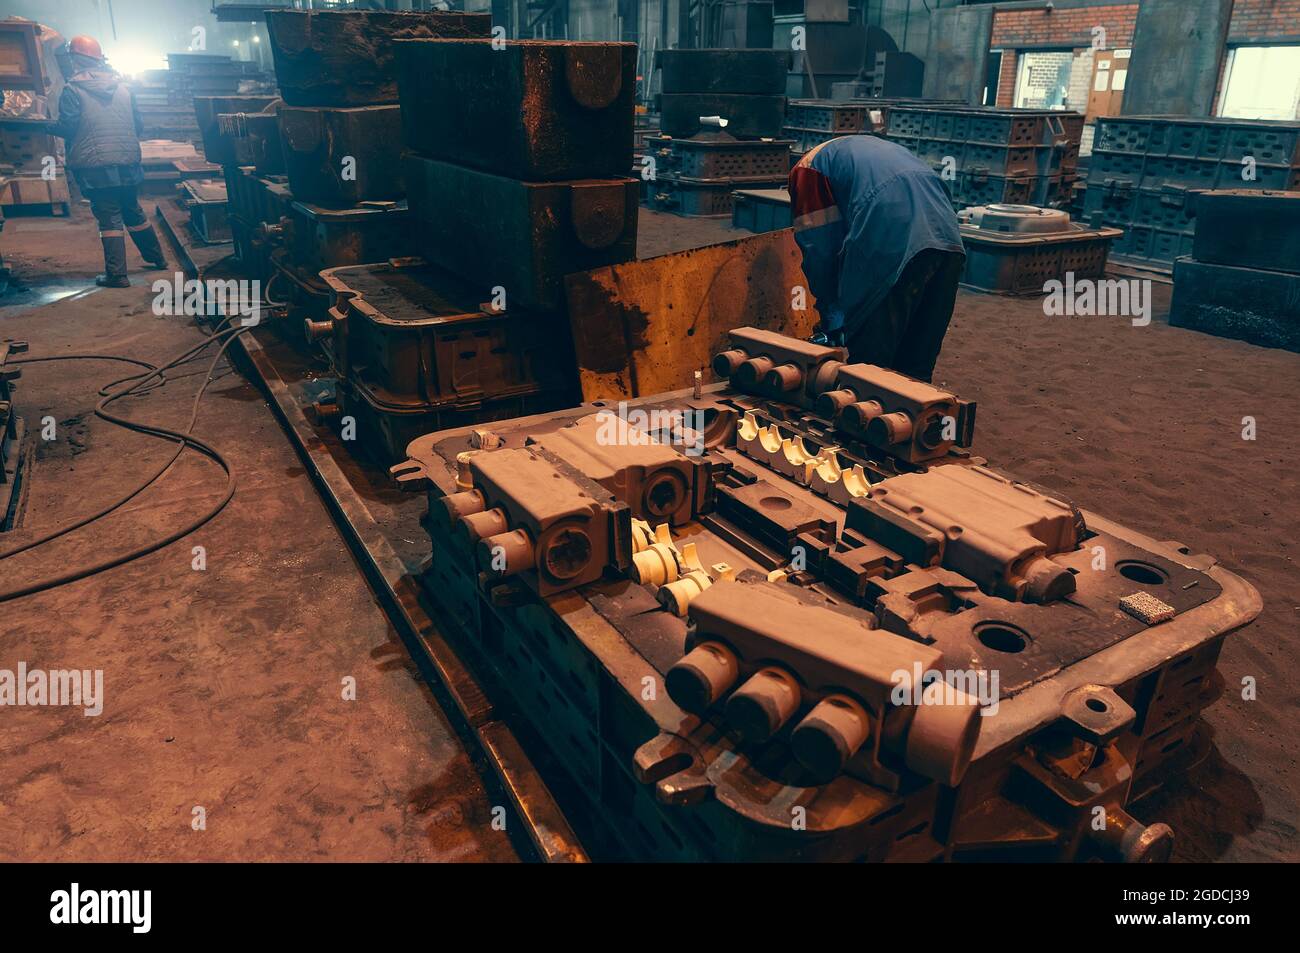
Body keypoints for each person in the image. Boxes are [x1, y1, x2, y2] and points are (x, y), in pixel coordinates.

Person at [788, 135, 966, 383]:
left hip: (893, 244)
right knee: (916, 367)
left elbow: (820, 250)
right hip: (949, 241)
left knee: (870, 369)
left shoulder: (807, 170)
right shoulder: (872, 152)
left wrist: (833, 319)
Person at [48, 35, 166, 288]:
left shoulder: (72, 90)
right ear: (99, 60)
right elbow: (139, 125)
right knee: (132, 210)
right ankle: (158, 259)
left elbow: (68, 128)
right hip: (127, 162)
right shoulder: (123, 87)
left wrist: (46, 126)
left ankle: (117, 275)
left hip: (96, 166)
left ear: (75, 60)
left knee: (109, 217)